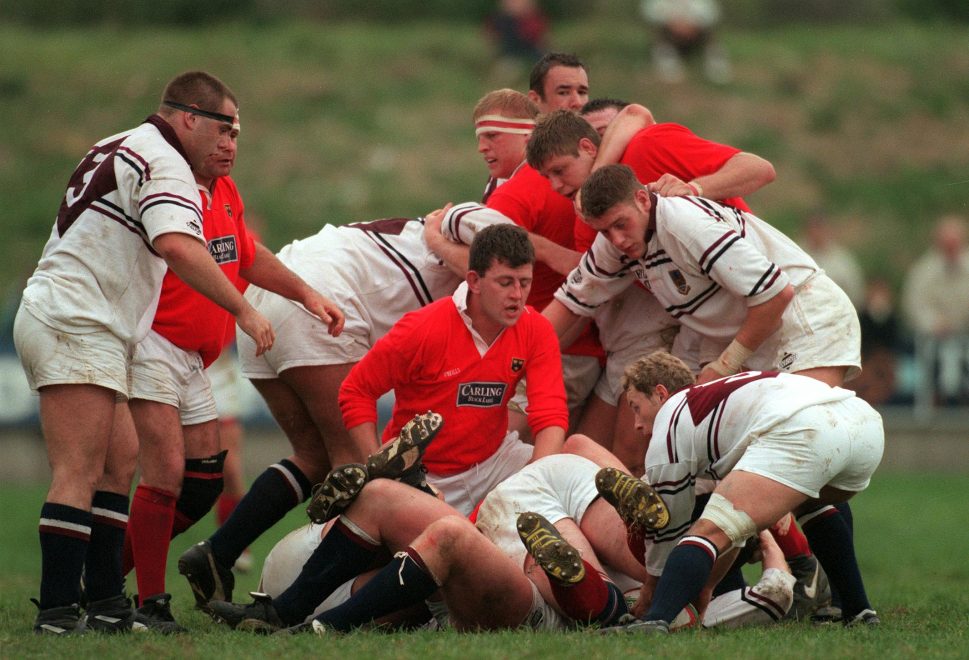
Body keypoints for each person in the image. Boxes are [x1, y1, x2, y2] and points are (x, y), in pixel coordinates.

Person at [177, 89, 539, 609]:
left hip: (278, 289)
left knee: (318, 458)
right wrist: (443, 245)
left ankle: (219, 550)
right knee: (364, 475)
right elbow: (495, 237)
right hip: (321, 299)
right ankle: (319, 604)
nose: (519, 288)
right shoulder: (477, 222)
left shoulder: (481, 293)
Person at [13, 70, 293, 635]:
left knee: (119, 465)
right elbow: (176, 245)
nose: (230, 141)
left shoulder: (124, 143)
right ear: (187, 116)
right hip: (74, 317)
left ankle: (108, 605)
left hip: (101, 324)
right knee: (81, 470)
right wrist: (243, 308)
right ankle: (59, 612)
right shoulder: (162, 158)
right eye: (224, 127)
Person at [605, 352, 883, 633]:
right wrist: (708, 586)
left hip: (805, 428)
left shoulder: (672, 415)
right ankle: (859, 608)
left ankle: (656, 620)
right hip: (863, 424)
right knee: (810, 503)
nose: (637, 424)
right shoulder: (722, 396)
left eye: (636, 407)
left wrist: (651, 591)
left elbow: (667, 526)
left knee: (706, 531)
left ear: (660, 394)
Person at [542, 161, 860, 389]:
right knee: (711, 457)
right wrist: (513, 358)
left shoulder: (686, 223)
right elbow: (571, 303)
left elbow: (777, 294)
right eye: (605, 231)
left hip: (805, 314)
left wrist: (724, 365)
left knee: (805, 435)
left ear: (642, 199)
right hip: (754, 330)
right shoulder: (615, 241)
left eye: (620, 225)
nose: (617, 240)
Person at [335, 223, 568, 515]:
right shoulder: (422, 329)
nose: (518, 295)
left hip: (496, 462)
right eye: (506, 282)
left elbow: (551, 415)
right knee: (445, 537)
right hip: (422, 475)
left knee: (577, 454)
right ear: (474, 281)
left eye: (525, 282)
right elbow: (356, 390)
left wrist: (538, 481)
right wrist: (378, 467)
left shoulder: (536, 329)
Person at [901, 215, 969, 409]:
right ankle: (943, 400)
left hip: (965, 333)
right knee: (944, 356)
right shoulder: (924, 271)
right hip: (935, 337)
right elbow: (914, 305)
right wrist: (933, 322)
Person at [640, 0, 731, 84]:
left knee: (710, 34)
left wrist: (692, 25)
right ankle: (668, 66)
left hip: (695, 34)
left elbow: (711, 15)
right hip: (670, 33)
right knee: (659, 33)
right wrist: (673, 24)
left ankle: (716, 67)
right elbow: (650, 14)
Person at [799, 212, 865, 309]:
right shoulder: (798, 255)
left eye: (820, 228)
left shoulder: (842, 262)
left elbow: (856, 293)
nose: (816, 233)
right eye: (813, 228)